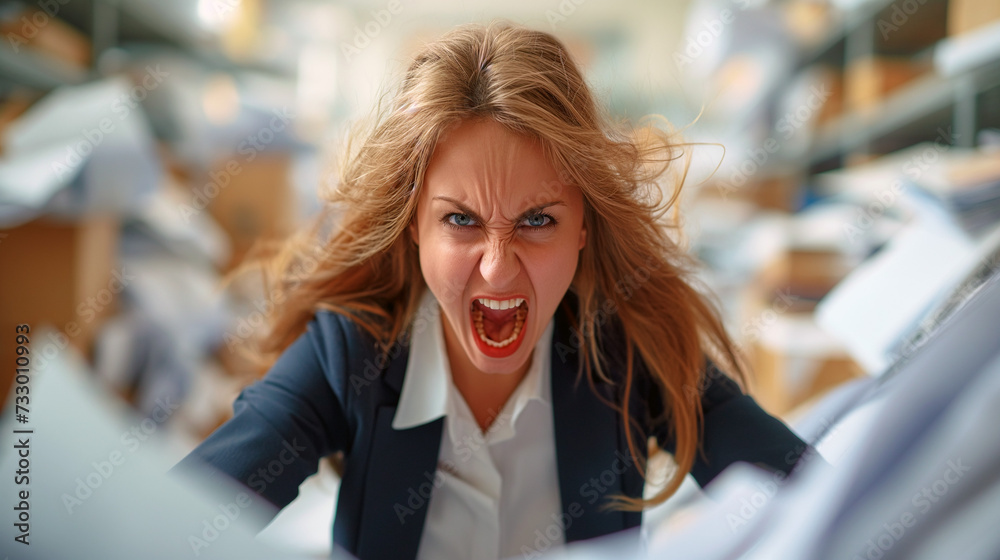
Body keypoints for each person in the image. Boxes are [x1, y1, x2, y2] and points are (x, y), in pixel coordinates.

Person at [173, 20, 813, 560]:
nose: (498, 270)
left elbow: (818, 503)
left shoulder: (630, 351)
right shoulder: (349, 354)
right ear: (414, 226)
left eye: (537, 221)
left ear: (584, 226)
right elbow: (175, 525)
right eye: (460, 220)